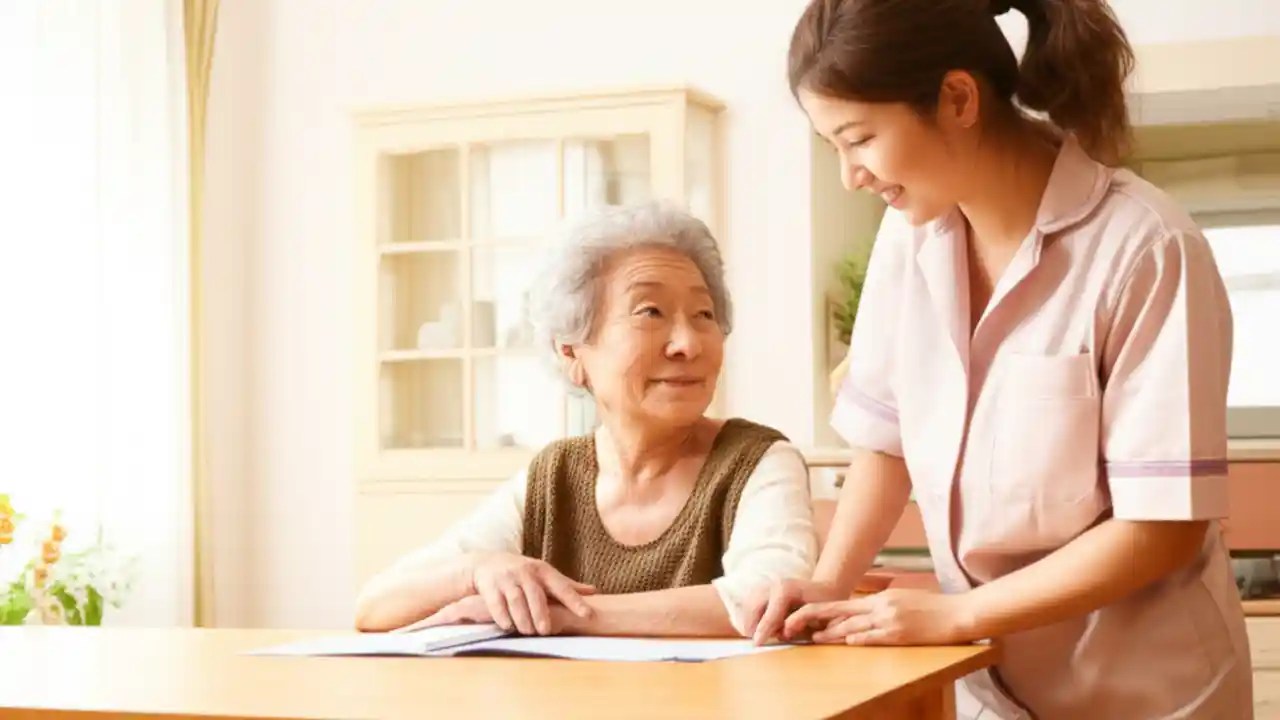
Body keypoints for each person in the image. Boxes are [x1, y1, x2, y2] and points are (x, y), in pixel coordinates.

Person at [745, 0, 1252, 718]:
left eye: (857, 139)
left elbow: (1161, 528)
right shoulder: (908, 238)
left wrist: (955, 616)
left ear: (957, 98)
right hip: (996, 688)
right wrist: (829, 580)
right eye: (832, 145)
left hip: (1147, 695)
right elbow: (886, 443)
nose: (848, 175)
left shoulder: (1146, 248)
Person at [355, 202, 817, 638]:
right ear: (571, 352)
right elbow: (375, 607)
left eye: (704, 315)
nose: (688, 344)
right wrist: (475, 570)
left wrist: (565, 615)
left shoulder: (758, 461)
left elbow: (768, 599)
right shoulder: (555, 476)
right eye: (650, 312)